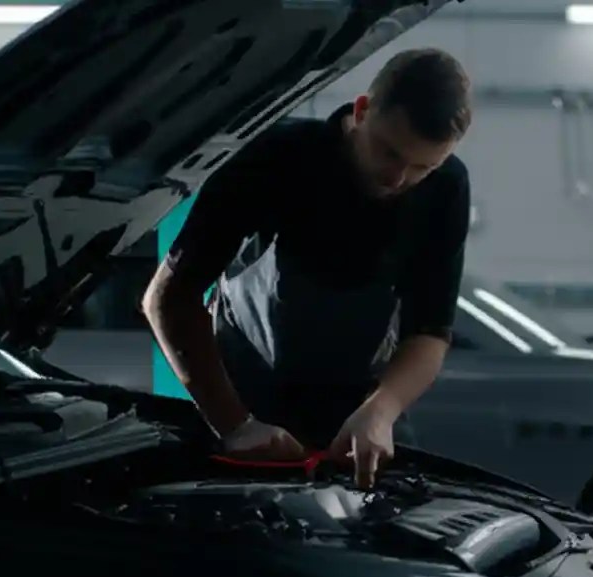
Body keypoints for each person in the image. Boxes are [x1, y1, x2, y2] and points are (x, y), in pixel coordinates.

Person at [143, 48, 473, 489]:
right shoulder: (273, 156)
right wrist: (235, 425)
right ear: (361, 110)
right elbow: (169, 297)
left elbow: (429, 332)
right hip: (242, 402)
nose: (398, 178)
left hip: (358, 413)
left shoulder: (447, 186)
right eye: (389, 152)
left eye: (422, 167)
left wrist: (382, 410)